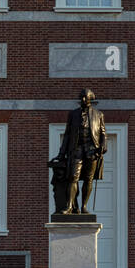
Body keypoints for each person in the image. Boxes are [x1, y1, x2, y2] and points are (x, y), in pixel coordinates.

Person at [50, 87, 107, 215]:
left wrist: (103, 146)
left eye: (84, 97)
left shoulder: (98, 115)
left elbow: (103, 133)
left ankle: (84, 206)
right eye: (81, 97)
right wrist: (61, 154)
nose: (82, 99)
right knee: (73, 177)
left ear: (90, 99)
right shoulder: (73, 114)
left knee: (89, 179)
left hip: (92, 151)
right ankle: (70, 206)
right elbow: (67, 135)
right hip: (76, 149)